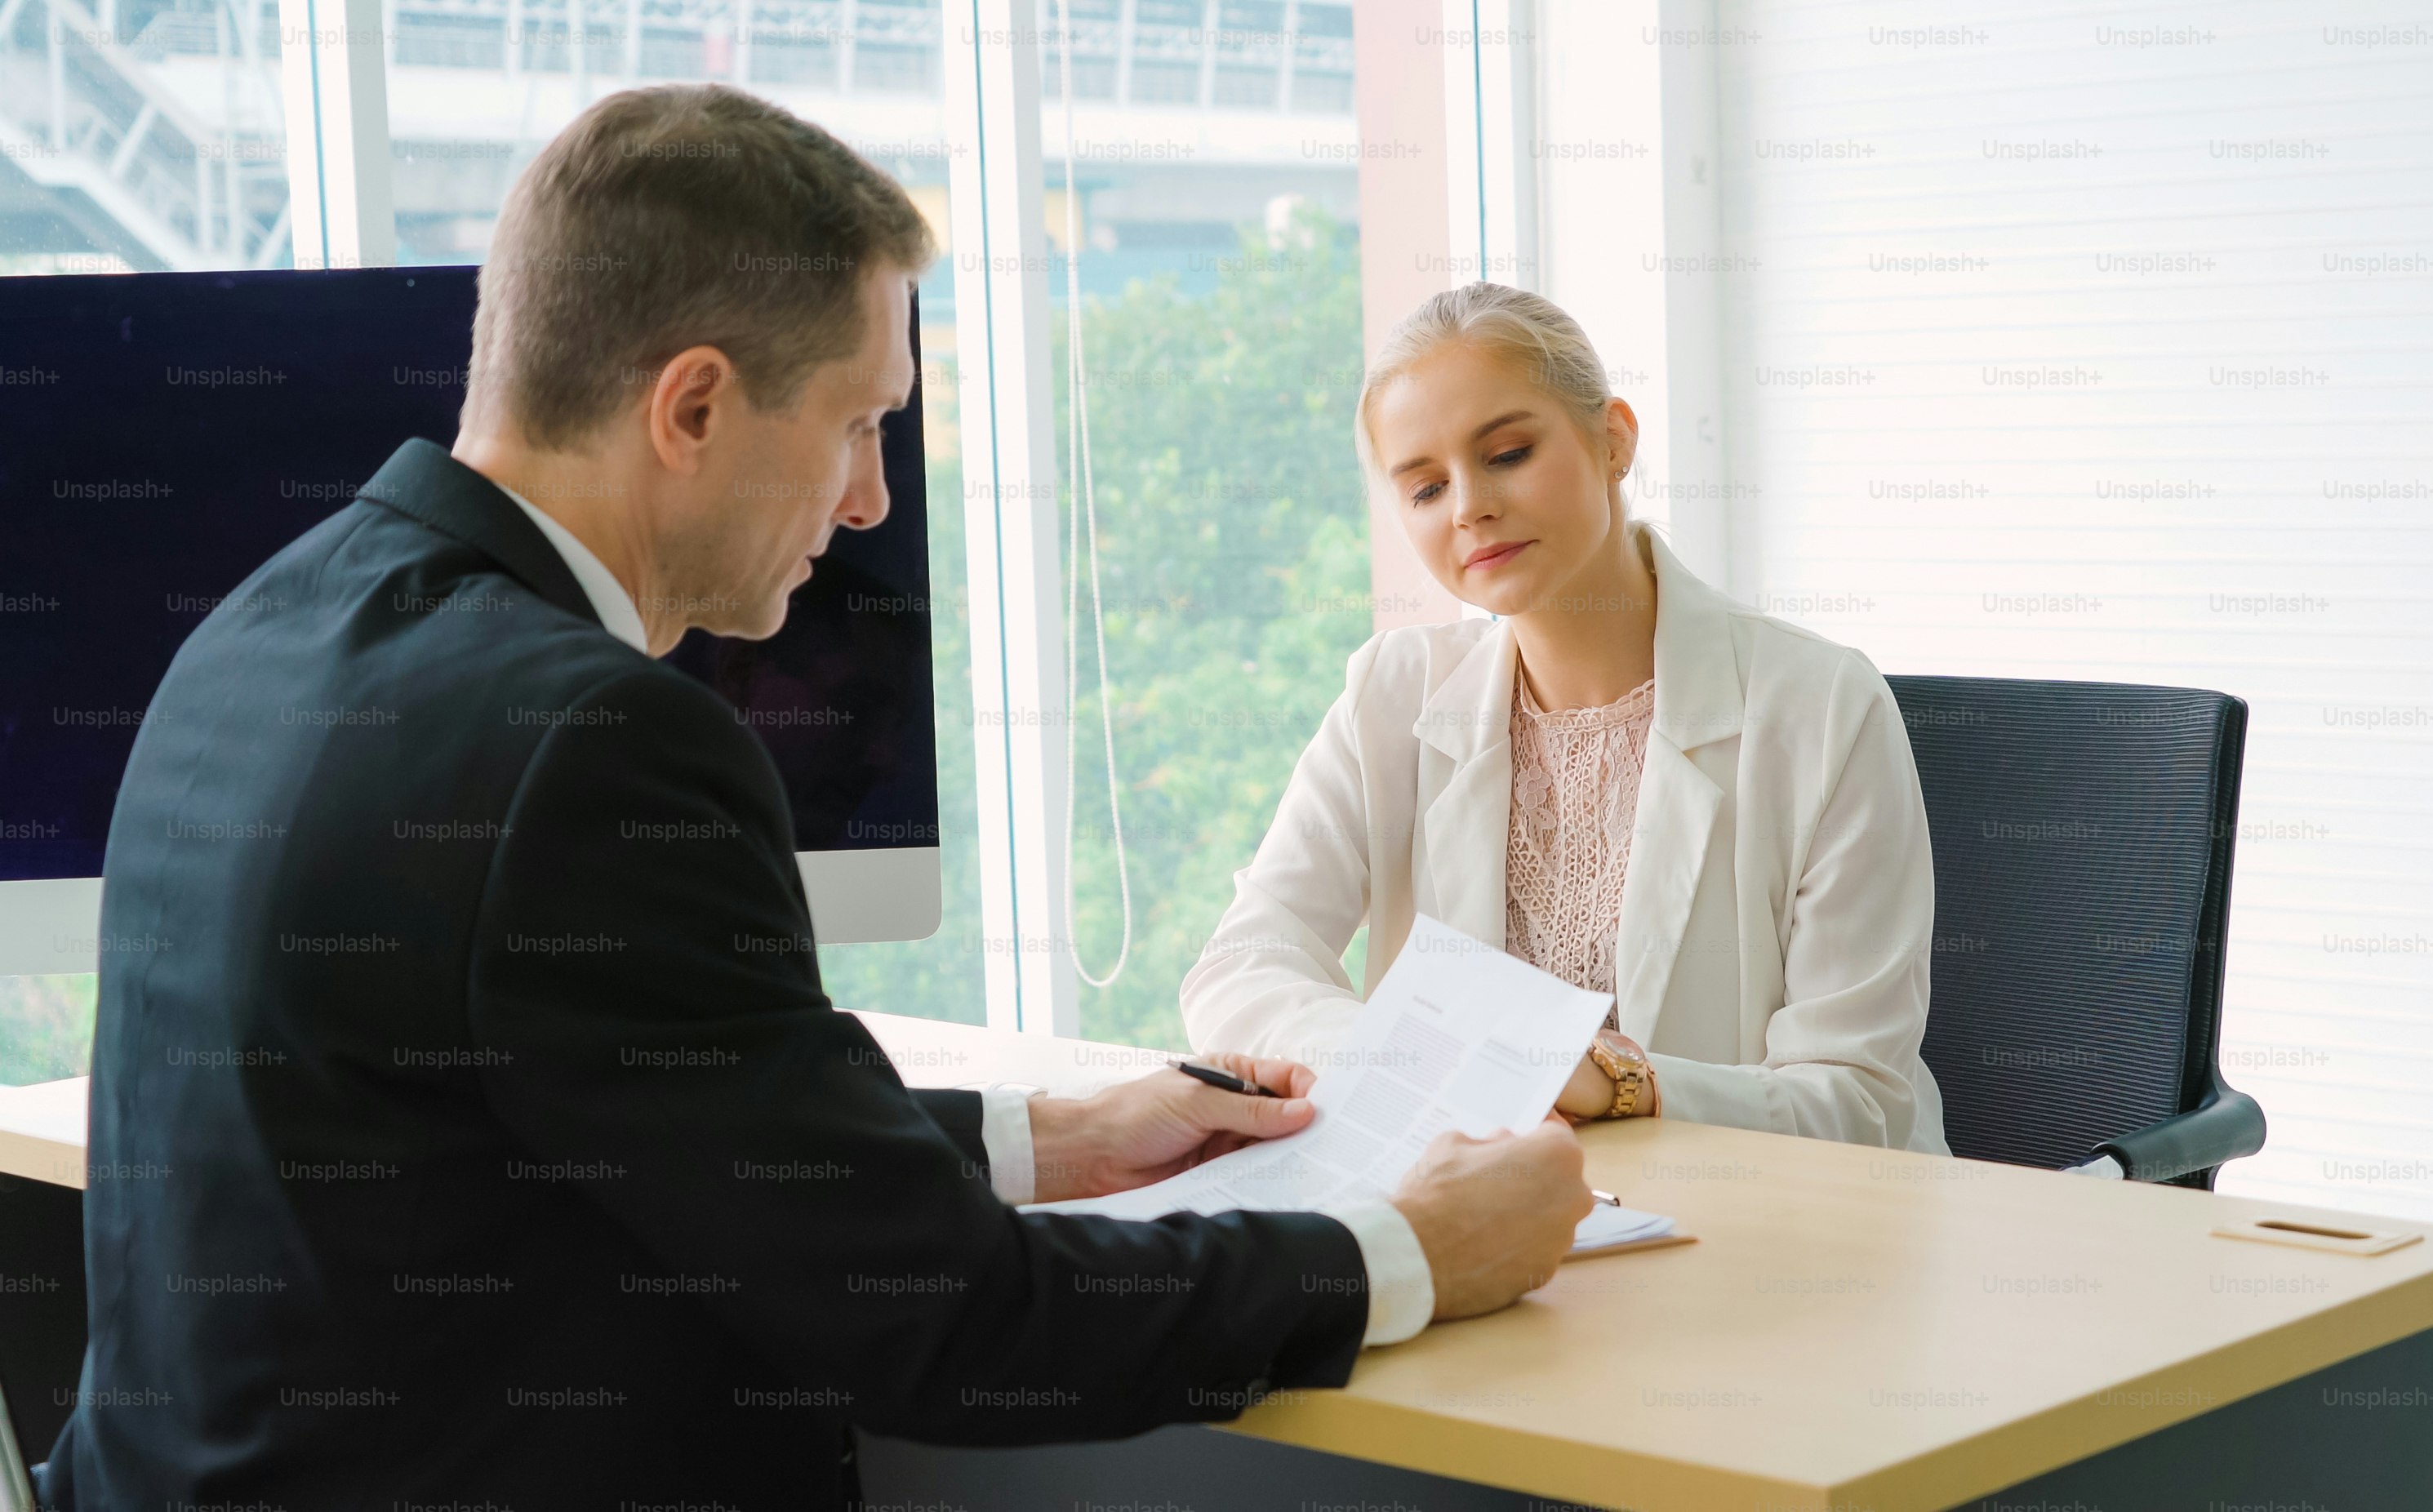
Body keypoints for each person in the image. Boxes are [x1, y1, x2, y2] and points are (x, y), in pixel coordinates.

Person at [37, 87, 1588, 1510]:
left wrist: (1050, 1138)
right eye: (858, 422)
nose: (869, 500)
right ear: (693, 407)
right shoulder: (596, 743)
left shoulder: (265, 623)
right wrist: (1400, 1251)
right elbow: (947, 1325)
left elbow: (572, 1125)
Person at [1181, 282, 1949, 1154]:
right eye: (1426, 487)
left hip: (1777, 1226)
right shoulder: (1390, 693)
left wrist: (1621, 1083)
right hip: (1499, 1218)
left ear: (1612, 439)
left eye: (1506, 453)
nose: (1467, 504)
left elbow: (1855, 1103)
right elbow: (1241, 966)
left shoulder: (1819, 706)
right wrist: (1434, 1060)